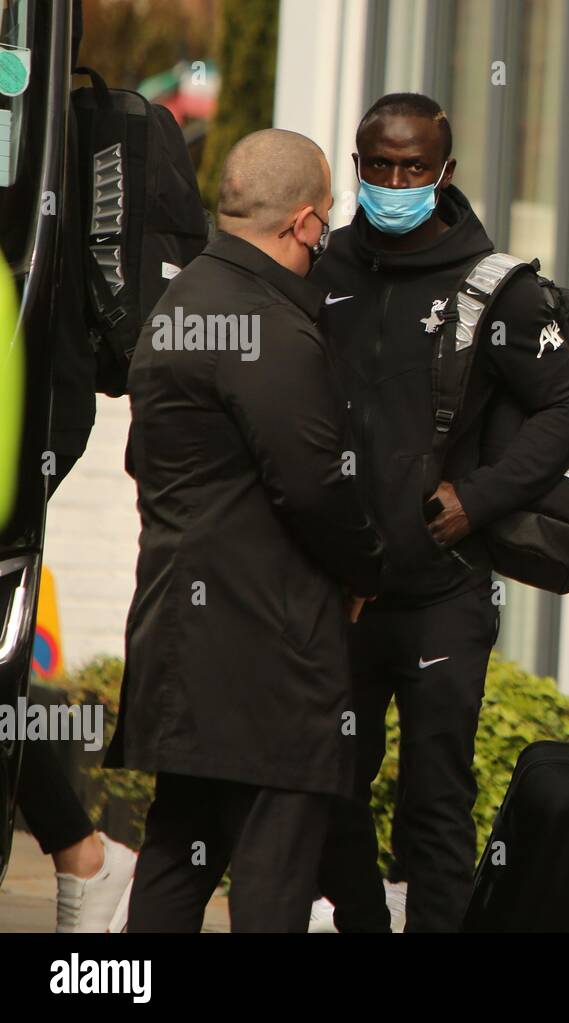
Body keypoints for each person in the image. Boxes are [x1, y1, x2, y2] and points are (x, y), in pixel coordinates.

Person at [310, 93, 569, 933]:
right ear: (357, 165)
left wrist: (481, 496)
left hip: (445, 595)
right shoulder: (320, 267)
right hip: (341, 592)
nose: (396, 182)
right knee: (326, 785)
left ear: (445, 173)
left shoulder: (492, 288)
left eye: (415, 168)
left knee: (436, 805)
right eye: (381, 166)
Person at [105, 129, 385, 932]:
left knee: (174, 859)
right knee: (272, 881)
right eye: (325, 221)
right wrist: (368, 569)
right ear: (304, 223)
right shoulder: (270, 325)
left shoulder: (178, 304)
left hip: (178, 642)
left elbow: (142, 459)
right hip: (271, 657)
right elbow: (315, 487)